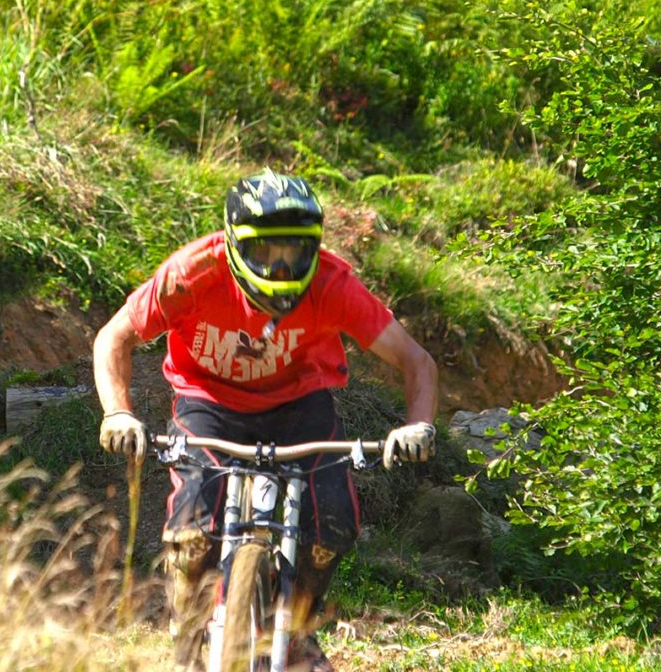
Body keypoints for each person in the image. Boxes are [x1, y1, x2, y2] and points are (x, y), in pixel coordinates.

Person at [92, 171, 438, 672]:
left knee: (331, 525)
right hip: (208, 401)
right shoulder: (190, 275)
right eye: (265, 252)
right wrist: (118, 413)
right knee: (192, 538)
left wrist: (418, 425)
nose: (280, 268)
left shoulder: (331, 284)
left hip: (301, 404)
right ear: (234, 244)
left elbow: (415, 360)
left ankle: (297, 630)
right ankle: (188, 633)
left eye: (293, 253)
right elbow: (114, 337)